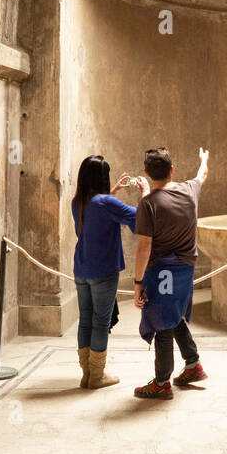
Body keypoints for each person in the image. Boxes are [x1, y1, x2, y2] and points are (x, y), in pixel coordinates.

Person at [132, 146, 209, 399]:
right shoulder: (189, 190)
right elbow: (202, 175)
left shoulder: (148, 204)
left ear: (146, 172)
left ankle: (162, 382)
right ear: (172, 169)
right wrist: (203, 159)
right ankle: (193, 365)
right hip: (185, 269)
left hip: (162, 270)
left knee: (162, 323)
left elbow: (144, 247)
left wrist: (138, 283)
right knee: (174, 314)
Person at [72, 155, 149, 389]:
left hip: (81, 268)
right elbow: (141, 217)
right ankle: (97, 376)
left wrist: (112, 192)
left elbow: (99, 212)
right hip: (103, 270)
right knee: (100, 322)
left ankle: (86, 373)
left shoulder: (79, 201)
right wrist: (146, 191)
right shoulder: (105, 203)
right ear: (102, 178)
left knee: (85, 321)